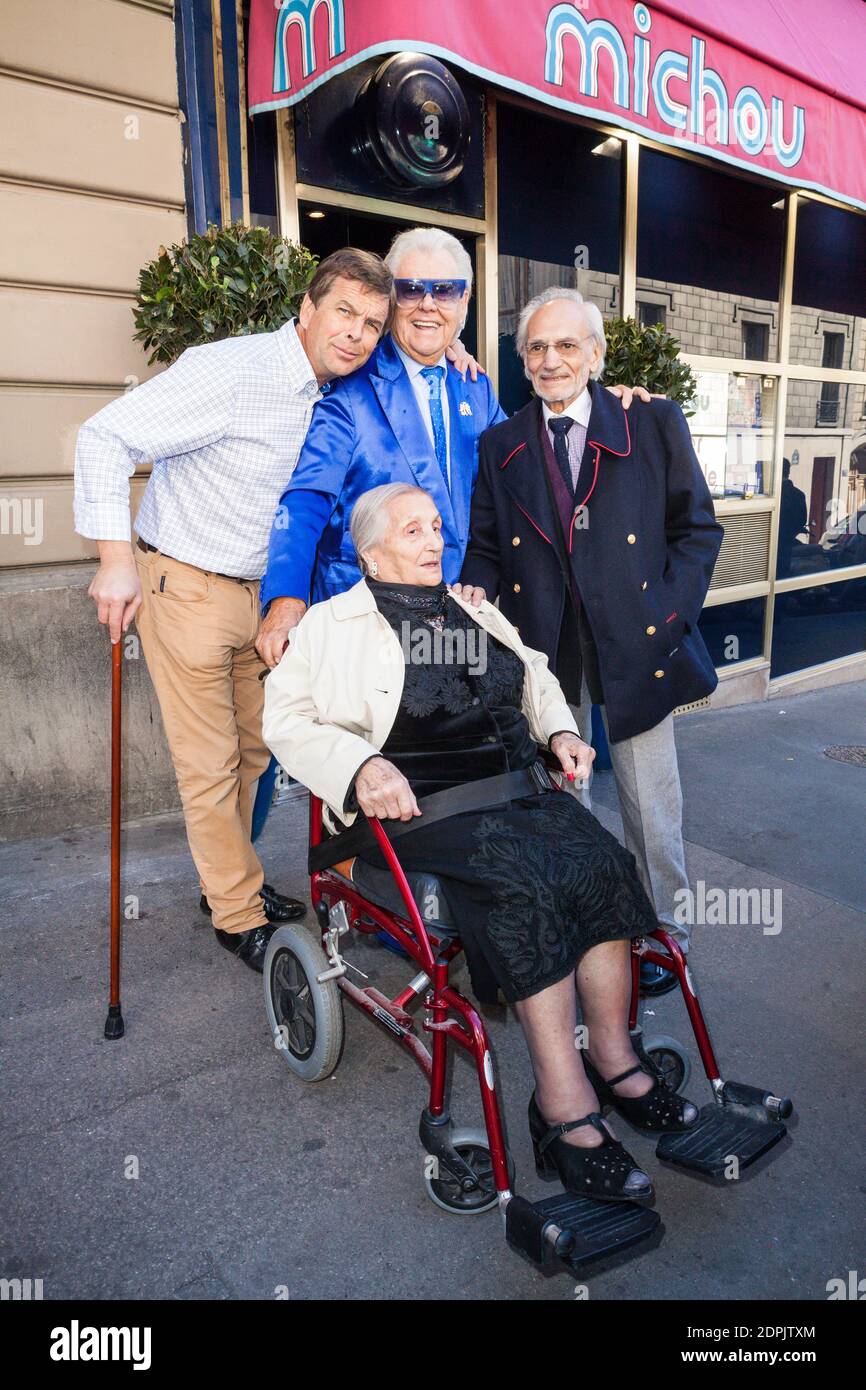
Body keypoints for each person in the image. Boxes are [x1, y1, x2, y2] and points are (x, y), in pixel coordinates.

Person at [262, 483, 700, 1202]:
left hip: (515, 791)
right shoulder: (329, 625)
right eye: (413, 532)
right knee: (525, 884)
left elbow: (536, 678)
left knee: (600, 862)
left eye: (436, 526)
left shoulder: (471, 607)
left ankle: (615, 1060)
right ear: (371, 551)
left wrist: (559, 730)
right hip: (414, 812)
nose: (435, 540)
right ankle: (561, 1112)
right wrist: (360, 765)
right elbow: (284, 719)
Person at [73, 248, 395, 973]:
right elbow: (105, 436)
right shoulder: (231, 368)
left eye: (373, 323)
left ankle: (228, 882)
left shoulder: (339, 385)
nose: (357, 334)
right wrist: (115, 562)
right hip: (184, 584)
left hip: (266, 601)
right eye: (344, 312)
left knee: (259, 750)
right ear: (308, 310)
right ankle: (236, 913)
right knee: (211, 765)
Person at [459, 287, 723, 995]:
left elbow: (697, 530)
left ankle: (667, 935)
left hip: (638, 642)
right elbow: (485, 544)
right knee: (564, 807)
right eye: (537, 348)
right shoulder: (501, 443)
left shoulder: (653, 421)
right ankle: (591, 931)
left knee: (651, 804)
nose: (551, 360)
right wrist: (476, 591)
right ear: (523, 361)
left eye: (567, 345)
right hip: (550, 649)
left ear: (596, 354)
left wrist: (670, 617)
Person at [256, 227, 653, 667]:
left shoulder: (474, 385)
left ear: (464, 303)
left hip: (461, 618)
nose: (428, 304)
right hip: (370, 623)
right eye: (410, 289)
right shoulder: (350, 393)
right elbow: (306, 503)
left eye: (445, 290)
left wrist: (594, 404)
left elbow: (528, 460)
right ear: (391, 304)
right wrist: (286, 601)